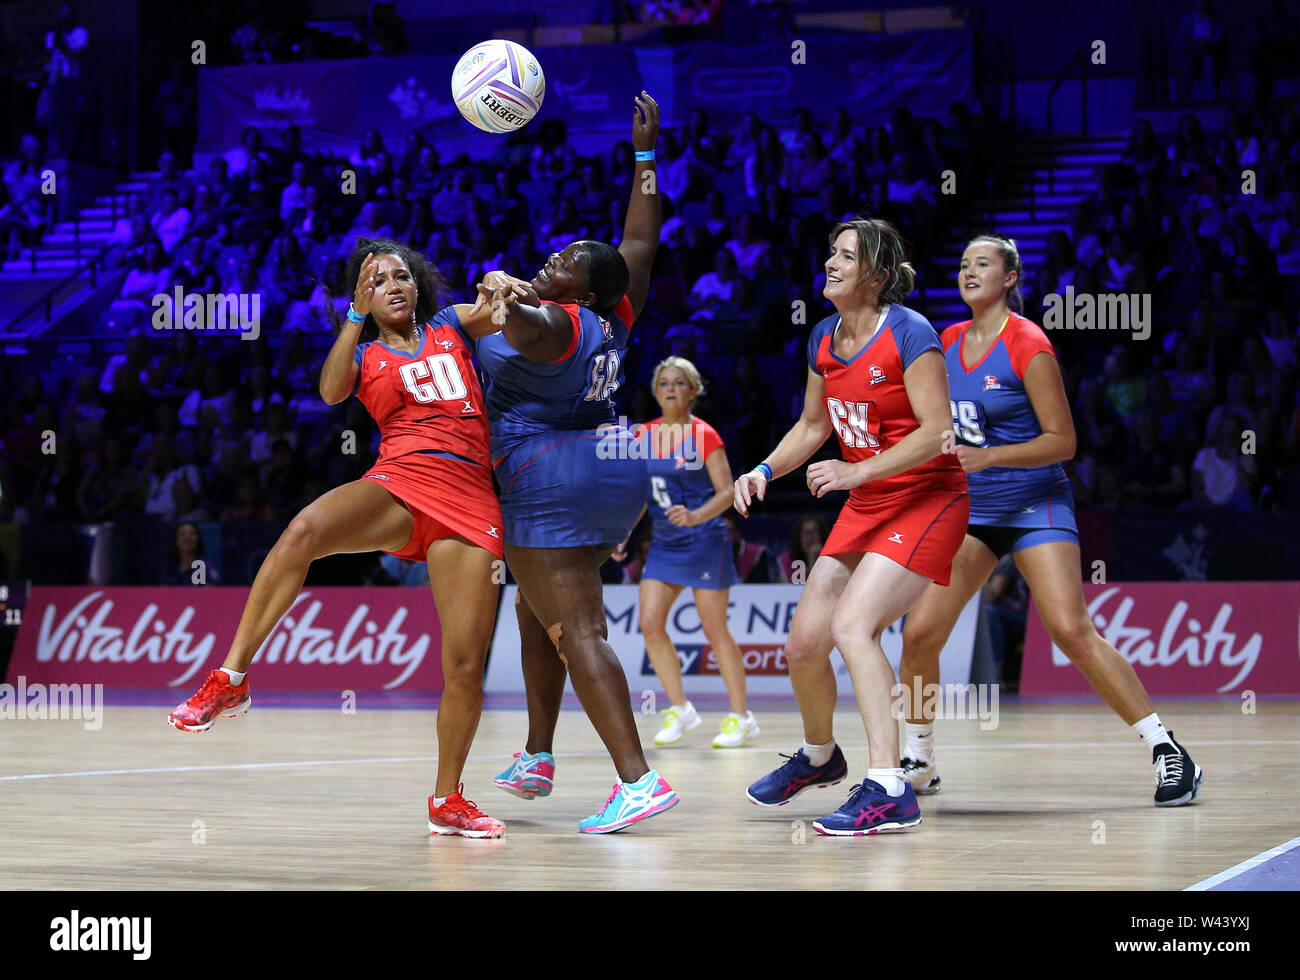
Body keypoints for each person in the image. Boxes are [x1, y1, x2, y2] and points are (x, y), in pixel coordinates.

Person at [167, 237, 515, 838]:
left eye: (401, 275)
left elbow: (500, 312)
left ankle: (446, 799)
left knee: (463, 665)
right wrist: (353, 317)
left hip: (470, 499)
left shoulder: (449, 326)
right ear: (364, 297)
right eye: (377, 282)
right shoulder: (366, 354)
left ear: (419, 282)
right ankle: (232, 678)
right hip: (401, 481)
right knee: (302, 532)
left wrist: (499, 282)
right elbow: (330, 392)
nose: (395, 286)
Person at [897, 234, 1203, 806]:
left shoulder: (1029, 344)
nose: (968, 272)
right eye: (962, 264)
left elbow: (1063, 442)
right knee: (919, 634)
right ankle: (919, 758)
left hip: (1036, 501)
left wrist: (988, 456)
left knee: (1069, 628)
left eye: (981, 264)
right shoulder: (948, 340)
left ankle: (1167, 750)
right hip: (975, 510)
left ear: (1009, 278)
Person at [476, 93, 679, 833]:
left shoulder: (555, 318)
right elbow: (641, 243)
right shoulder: (614, 313)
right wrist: (646, 158)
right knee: (536, 612)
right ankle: (536, 754)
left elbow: (529, 329)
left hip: (551, 476)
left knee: (578, 630)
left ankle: (637, 780)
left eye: (563, 262)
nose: (550, 260)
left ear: (579, 290)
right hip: (611, 467)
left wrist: (508, 298)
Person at [735, 218, 969, 836]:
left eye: (846, 256)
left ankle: (891, 787)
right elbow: (813, 428)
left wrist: (854, 473)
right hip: (868, 502)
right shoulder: (822, 337)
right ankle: (820, 757)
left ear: (878, 277)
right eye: (831, 252)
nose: (831, 263)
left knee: (852, 627)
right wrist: (764, 468)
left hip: (928, 498)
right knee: (804, 644)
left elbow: (938, 432)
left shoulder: (910, 331)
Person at [624, 356, 757, 748]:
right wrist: (622, 534)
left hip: (704, 541)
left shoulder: (705, 436)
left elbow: (728, 491)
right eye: (664, 382)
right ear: (655, 391)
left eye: (679, 383)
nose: (670, 388)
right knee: (650, 623)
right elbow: (638, 497)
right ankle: (680, 709)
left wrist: (697, 515)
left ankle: (741, 716)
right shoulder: (640, 436)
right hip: (664, 543)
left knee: (715, 631)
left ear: (693, 392)